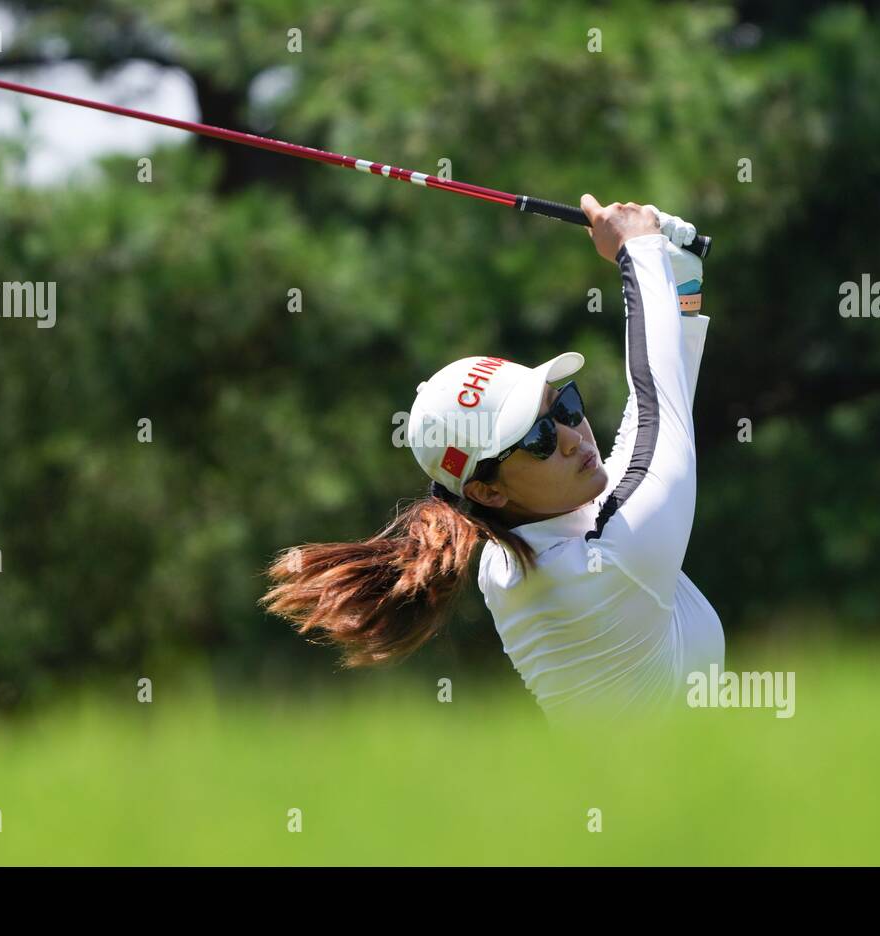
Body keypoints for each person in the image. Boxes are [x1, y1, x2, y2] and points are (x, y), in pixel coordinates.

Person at [260, 194, 724, 725]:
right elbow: (659, 410)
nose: (574, 438)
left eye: (565, 407)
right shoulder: (603, 569)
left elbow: (647, 430)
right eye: (539, 440)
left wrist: (677, 282)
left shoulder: (532, 547)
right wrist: (638, 251)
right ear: (486, 491)